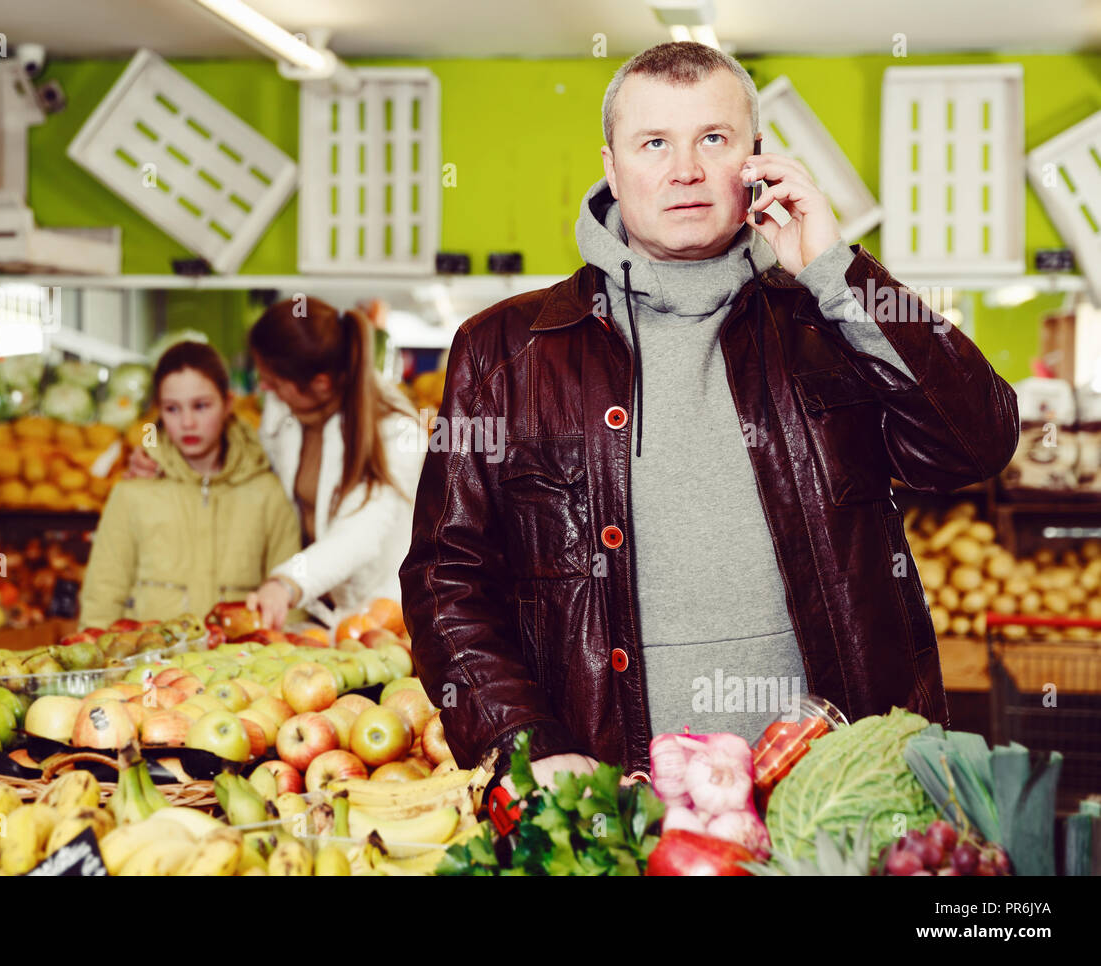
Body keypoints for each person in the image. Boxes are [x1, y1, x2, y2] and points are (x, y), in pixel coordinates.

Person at [399, 42, 1019, 793]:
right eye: (654, 142)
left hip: (838, 791)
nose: (684, 170)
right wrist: (524, 741)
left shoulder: (825, 320)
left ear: (757, 159)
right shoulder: (503, 352)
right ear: (612, 164)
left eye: (713, 140)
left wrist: (835, 268)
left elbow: (975, 442)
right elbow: (446, 577)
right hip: (615, 796)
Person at [129, 300, 423, 629]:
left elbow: (360, 532)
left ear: (321, 383)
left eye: (273, 380)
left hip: (376, 615)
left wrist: (286, 583)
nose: (263, 387)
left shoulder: (395, 432)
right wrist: (157, 451)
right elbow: (242, 456)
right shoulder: (283, 406)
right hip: (306, 613)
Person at [79, 341, 301, 628]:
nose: (187, 422)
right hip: (147, 669)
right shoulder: (132, 493)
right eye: (172, 409)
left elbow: (291, 600)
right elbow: (102, 597)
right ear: (159, 411)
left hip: (243, 668)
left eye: (201, 406)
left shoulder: (267, 493)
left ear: (228, 403)